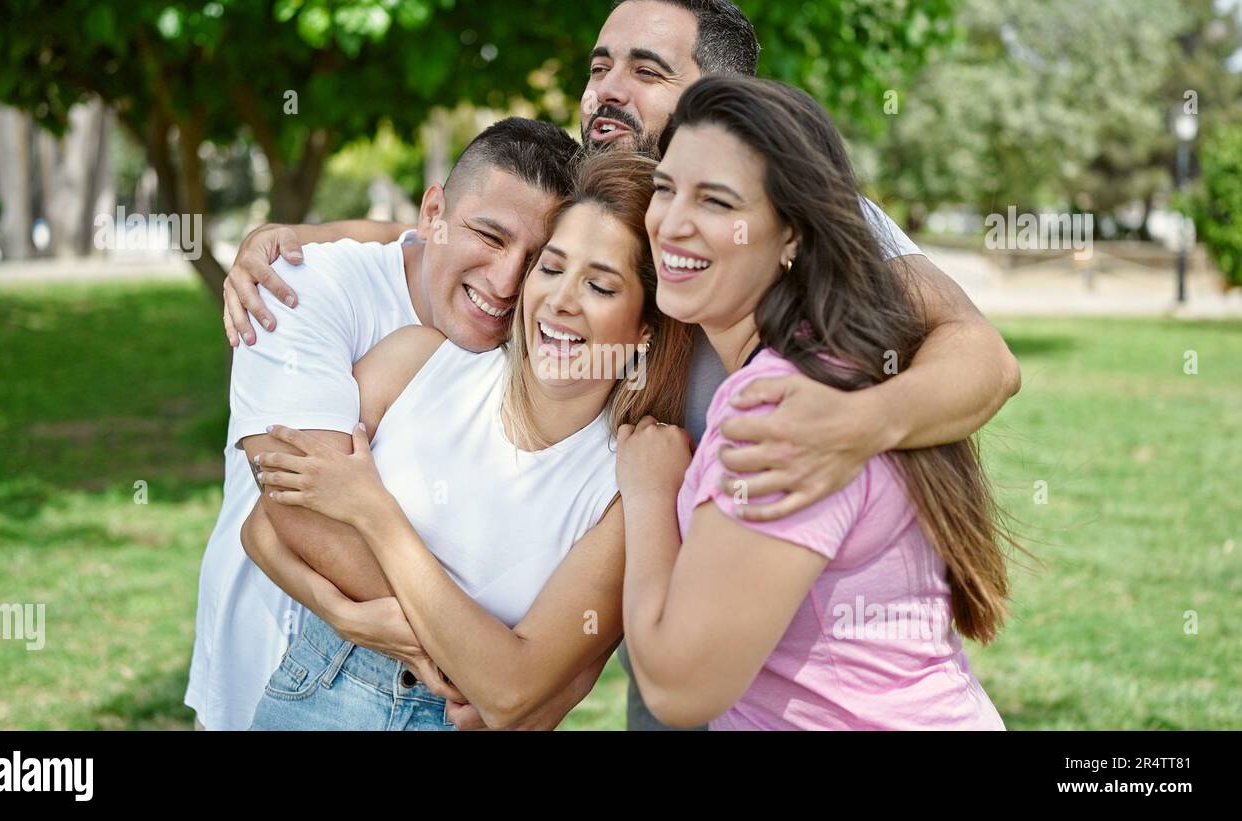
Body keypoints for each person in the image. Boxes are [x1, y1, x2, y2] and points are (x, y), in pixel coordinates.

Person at [218, 0, 1021, 731]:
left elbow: (984, 358)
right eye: (600, 65)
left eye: (647, 70)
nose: (608, 89)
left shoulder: (810, 227)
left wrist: (853, 424)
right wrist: (301, 236)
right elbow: (471, 225)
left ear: (725, 101)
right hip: (668, 615)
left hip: (771, 638)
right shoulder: (602, 198)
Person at [183, 118, 621, 730]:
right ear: (434, 211)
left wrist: (527, 677)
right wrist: (482, 658)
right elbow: (296, 510)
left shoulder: (531, 361)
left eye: (535, 259)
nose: (504, 282)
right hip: (267, 661)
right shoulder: (295, 288)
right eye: (488, 238)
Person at [618, 75, 1011, 729]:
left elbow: (678, 686)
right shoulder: (847, 353)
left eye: (717, 202)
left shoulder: (778, 406)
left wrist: (649, 492)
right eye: (666, 189)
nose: (673, 223)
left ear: (792, 235)